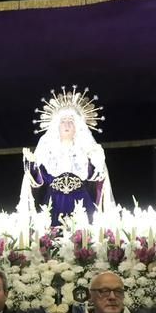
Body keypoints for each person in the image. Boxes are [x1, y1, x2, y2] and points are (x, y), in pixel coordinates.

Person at [24, 90, 113, 223]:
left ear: (78, 126)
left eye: (71, 121)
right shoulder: (47, 152)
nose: (66, 124)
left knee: (83, 240)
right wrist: (32, 164)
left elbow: (95, 180)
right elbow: (38, 182)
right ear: (56, 127)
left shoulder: (87, 151)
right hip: (53, 202)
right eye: (63, 121)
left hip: (81, 201)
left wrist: (98, 162)